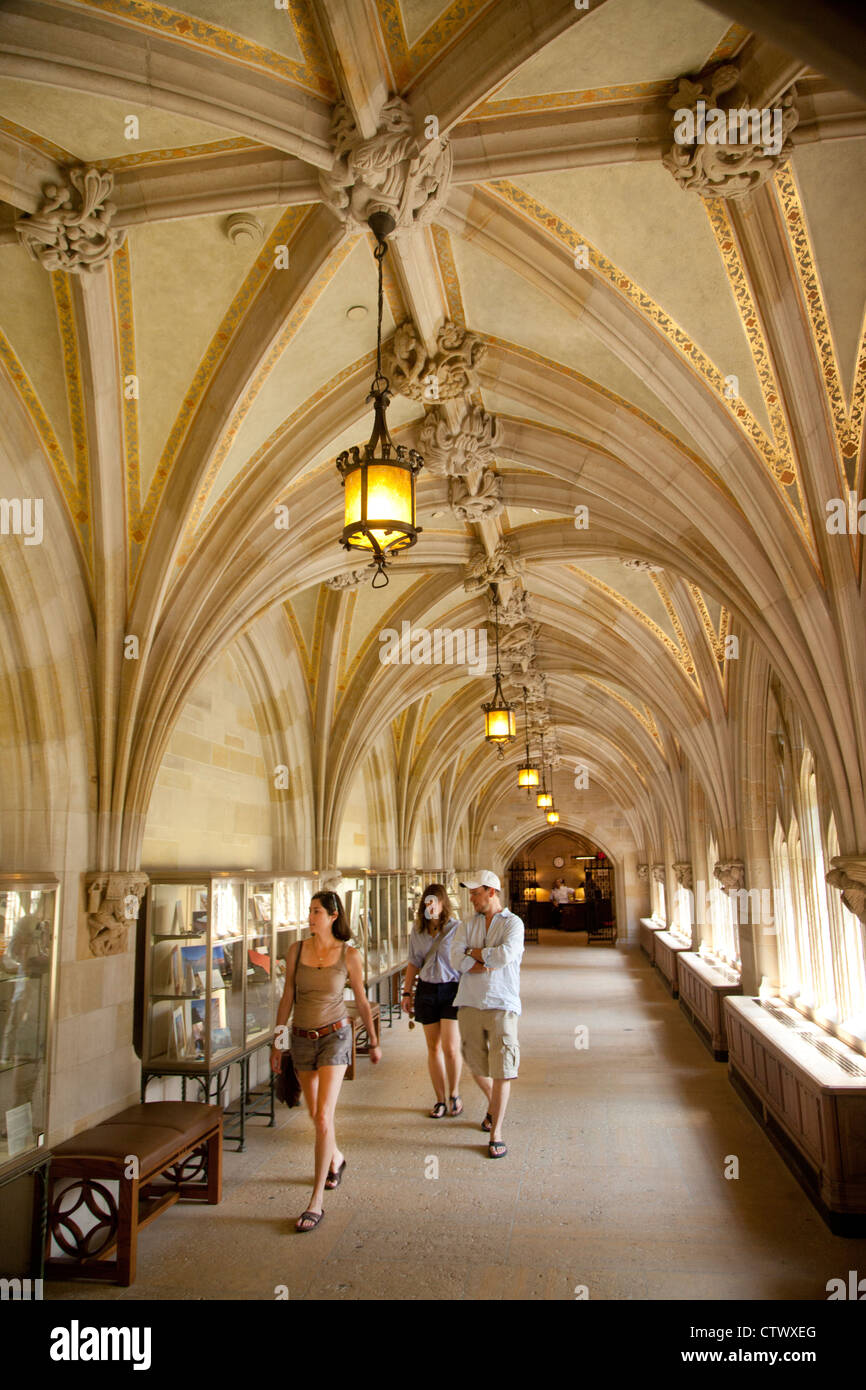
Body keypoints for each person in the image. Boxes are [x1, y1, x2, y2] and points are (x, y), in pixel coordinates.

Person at [270, 890, 381, 1232]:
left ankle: (315, 1201)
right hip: (302, 1038)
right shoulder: (296, 950)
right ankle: (336, 1157)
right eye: (309, 910)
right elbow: (288, 994)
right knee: (314, 1112)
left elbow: (361, 999)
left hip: (336, 1036)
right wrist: (278, 1041)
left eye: (316, 911)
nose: (310, 916)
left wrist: (373, 1040)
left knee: (322, 1116)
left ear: (333, 916)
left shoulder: (348, 955)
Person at [450, 871, 524, 1159]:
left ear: (491, 892)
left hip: (502, 1002)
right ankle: (495, 1108)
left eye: (475, 892)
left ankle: (496, 1132)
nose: (471, 898)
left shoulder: (513, 923)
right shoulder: (467, 925)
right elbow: (456, 959)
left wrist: (474, 955)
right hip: (469, 1001)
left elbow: (505, 955)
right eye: (470, 893)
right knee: (475, 1063)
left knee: (503, 1067)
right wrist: (478, 956)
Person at [402, 884, 463, 1118]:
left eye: (434, 902)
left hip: (451, 990)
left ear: (443, 903)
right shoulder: (417, 931)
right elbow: (413, 962)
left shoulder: (456, 929)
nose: (430, 906)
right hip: (426, 990)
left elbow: (463, 961)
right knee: (433, 1047)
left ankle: (454, 1093)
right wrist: (407, 992)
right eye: (427, 902)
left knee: (450, 1047)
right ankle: (439, 1099)